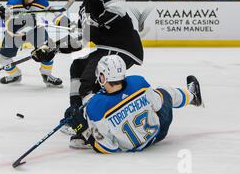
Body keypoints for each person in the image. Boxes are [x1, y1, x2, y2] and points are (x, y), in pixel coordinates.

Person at [31, 0, 144, 144]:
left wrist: (98, 23)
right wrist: (53, 48)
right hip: (108, 48)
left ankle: (93, 129)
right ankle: (76, 115)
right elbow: (81, 40)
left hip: (120, 47)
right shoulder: (87, 3)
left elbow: (118, 10)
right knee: (78, 66)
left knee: (88, 83)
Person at [64, 55, 203, 151]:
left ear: (103, 76)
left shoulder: (94, 106)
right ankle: (192, 96)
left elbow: (107, 147)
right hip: (158, 133)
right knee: (163, 92)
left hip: (130, 145)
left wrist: (81, 129)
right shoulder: (138, 82)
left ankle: (79, 137)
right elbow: (158, 105)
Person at [0, 0, 62, 87]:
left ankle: (47, 75)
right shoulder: (13, 2)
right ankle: (15, 75)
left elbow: (54, 14)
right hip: (15, 32)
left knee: (48, 50)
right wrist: (4, 14)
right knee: (3, 59)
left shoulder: (42, 2)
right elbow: (6, 20)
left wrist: (63, 20)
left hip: (35, 30)